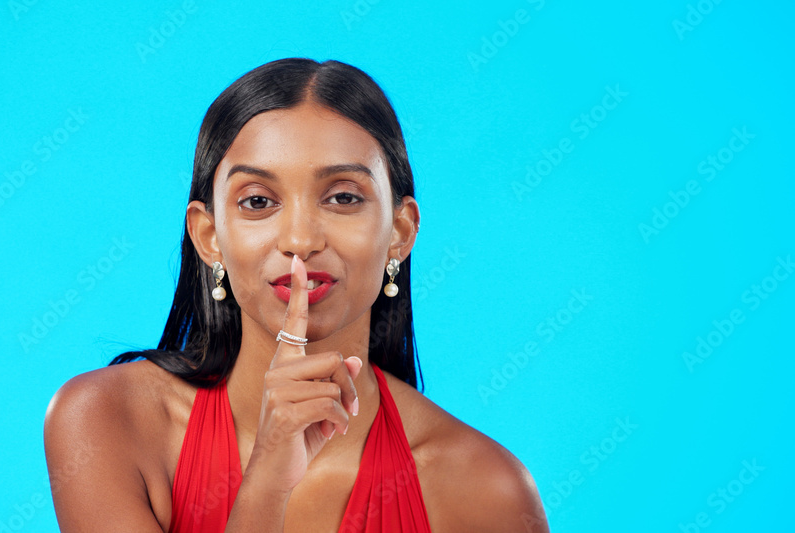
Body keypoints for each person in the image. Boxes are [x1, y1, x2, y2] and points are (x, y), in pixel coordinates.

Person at [44, 57, 549, 532]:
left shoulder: (485, 487)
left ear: (400, 231)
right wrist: (267, 479)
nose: (301, 241)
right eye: (258, 201)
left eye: (344, 197)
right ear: (208, 236)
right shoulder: (106, 421)